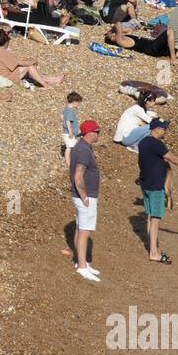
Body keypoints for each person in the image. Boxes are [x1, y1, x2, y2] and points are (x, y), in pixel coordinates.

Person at [137, 119, 178, 264]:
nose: (166, 131)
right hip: (155, 186)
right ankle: (154, 253)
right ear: (157, 129)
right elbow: (173, 158)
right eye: (164, 129)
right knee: (155, 218)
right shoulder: (156, 144)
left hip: (146, 183)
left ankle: (152, 247)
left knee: (150, 216)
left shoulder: (143, 142)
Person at [69, 118, 102, 282]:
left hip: (82, 196)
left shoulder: (81, 147)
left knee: (80, 228)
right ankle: (82, 266)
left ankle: (80, 261)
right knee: (84, 232)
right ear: (89, 133)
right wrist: (85, 197)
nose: (98, 134)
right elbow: (78, 176)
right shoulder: (83, 150)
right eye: (97, 131)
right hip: (85, 196)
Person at [0, 30, 64, 87]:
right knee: (29, 66)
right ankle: (45, 84)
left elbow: (15, 60)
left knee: (28, 67)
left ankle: (52, 79)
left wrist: (27, 59)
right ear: (6, 42)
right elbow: (22, 63)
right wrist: (34, 61)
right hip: (5, 78)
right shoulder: (4, 53)